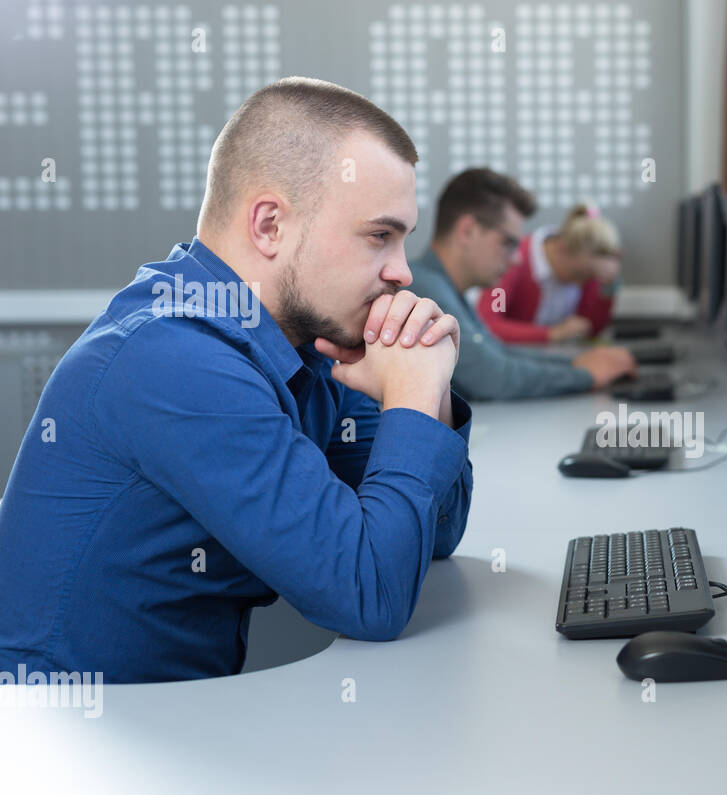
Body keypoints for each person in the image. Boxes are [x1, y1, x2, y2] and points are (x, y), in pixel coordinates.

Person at [0, 77, 471, 683]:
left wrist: (425, 392)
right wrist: (411, 394)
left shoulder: (309, 346)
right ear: (270, 225)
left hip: (171, 728)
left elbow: (432, 535)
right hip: (69, 750)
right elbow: (371, 595)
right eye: (379, 236)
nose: (403, 273)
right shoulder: (176, 361)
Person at [407, 168, 637, 400]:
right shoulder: (427, 292)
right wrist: (585, 375)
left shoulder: (444, 288)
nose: (517, 258)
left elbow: (498, 354)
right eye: (508, 243)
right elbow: (491, 377)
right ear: (467, 231)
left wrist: (575, 363)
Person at [476, 202, 623, 344]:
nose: (580, 284)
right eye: (578, 276)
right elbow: (491, 323)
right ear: (562, 248)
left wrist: (607, 290)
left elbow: (590, 328)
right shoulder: (514, 262)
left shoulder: (585, 274)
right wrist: (551, 334)